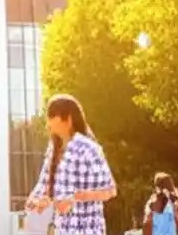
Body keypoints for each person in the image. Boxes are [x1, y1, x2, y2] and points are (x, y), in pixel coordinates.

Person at [26, 94, 117, 235]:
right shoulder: (53, 150)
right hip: (62, 230)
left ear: (68, 119)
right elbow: (43, 186)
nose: (48, 122)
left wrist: (75, 199)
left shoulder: (88, 148)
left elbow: (110, 191)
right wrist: (37, 201)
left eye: (52, 117)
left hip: (88, 230)